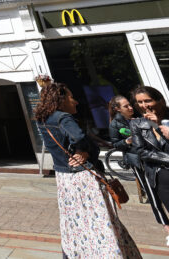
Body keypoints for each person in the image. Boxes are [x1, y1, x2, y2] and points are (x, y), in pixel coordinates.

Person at [36, 81, 140, 257]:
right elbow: (79, 136)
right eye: (71, 97)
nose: (75, 101)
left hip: (64, 178)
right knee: (100, 220)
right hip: (83, 178)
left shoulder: (43, 120)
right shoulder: (63, 117)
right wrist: (82, 149)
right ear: (60, 100)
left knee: (76, 221)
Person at [129, 85, 169, 247]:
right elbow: (142, 152)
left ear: (159, 100)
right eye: (140, 102)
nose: (144, 105)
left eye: (148, 100)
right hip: (162, 178)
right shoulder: (138, 124)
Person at [108, 95, 145, 204]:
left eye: (130, 105)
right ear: (117, 109)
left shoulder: (139, 116)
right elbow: (116, 144)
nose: (130, 108)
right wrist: (127, 141)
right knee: (147, 184)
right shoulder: (114, 125)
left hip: (150, 154)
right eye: (126, 106)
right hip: (135, 157)